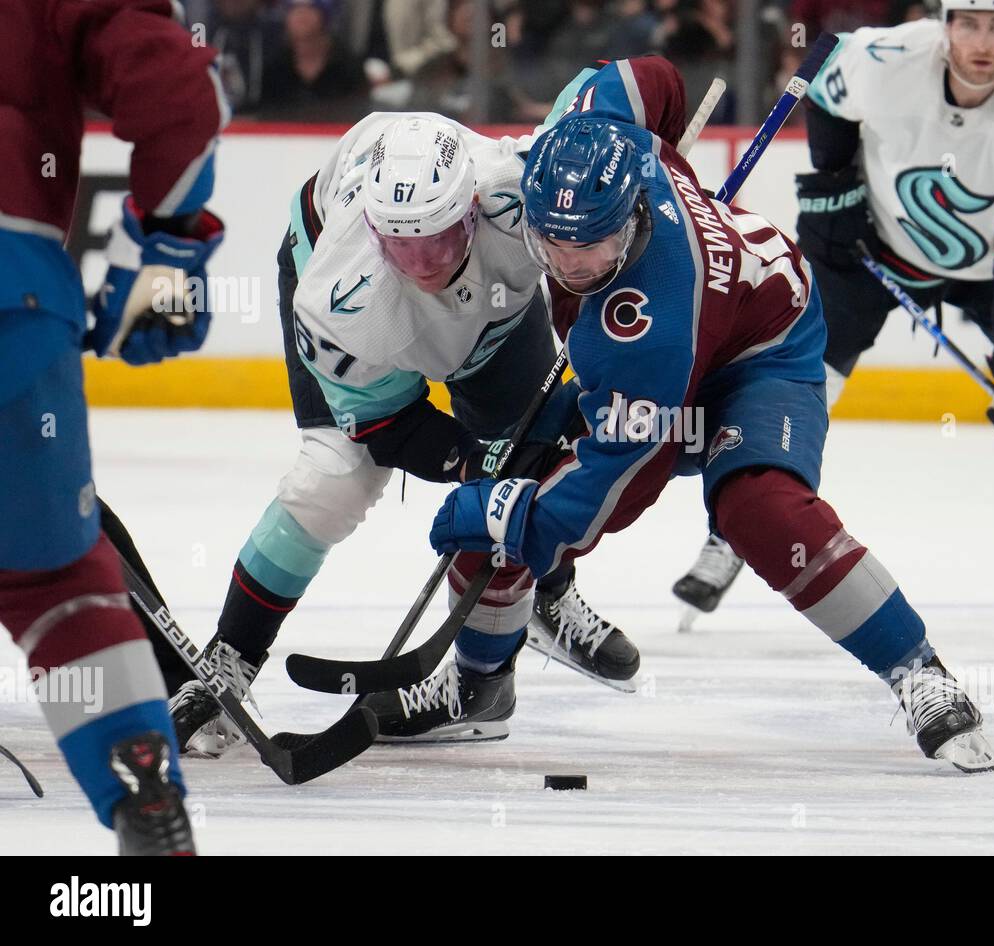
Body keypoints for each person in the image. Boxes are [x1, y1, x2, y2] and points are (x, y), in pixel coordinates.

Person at [427, 55, 994, 774]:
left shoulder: (648, 327)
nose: (572, 268)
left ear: (634, 215)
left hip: (761, 348)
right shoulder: (579, 154)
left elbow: (612, 484)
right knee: (518, 464)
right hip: (689, 327)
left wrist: (517, 525)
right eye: (556, 246)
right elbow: (651, 77)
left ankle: (920, 672)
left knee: (754, 505)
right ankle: (479, 689)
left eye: (593, 247)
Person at [675, 0, 994, 637]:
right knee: (791, 381)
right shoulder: (889, 59)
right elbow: (825, 75)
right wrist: (834, 182)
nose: (983, 42)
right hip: (870, 249)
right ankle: (736, 528)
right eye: (968, 22)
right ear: (944, 23)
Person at [169, 113, 642, 756]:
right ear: (372, 225)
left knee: (522, 468)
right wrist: (473, 463)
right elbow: (387, 425)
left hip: (493, 308)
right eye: (402, 244)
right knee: (332, 481)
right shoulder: (337, 297)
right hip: (352, 306)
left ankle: (546, 595)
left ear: (472, 206)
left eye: (439, 239)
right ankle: (229, 662)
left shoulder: (518, 187)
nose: (423, 265)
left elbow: (610, 145)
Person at [0, 0, 227, 854]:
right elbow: (177, 90)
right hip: (13, 296)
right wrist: (167, 249)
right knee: (56, 586)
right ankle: (142, 792)